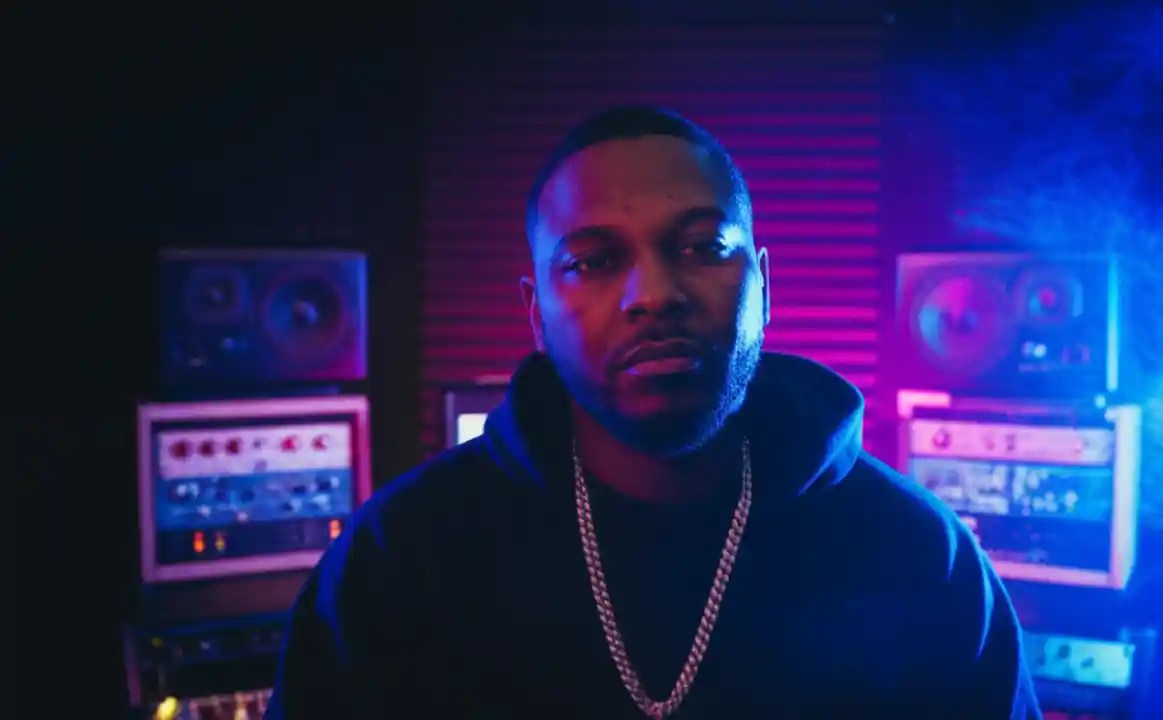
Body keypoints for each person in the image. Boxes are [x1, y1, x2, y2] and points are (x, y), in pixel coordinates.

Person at [265, 105, 1042, 718]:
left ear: (762, 287)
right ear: (536, 313)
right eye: (594, 261)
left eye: (704, 247)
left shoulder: (914, 552)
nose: (654, 295)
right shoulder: (403, 558)